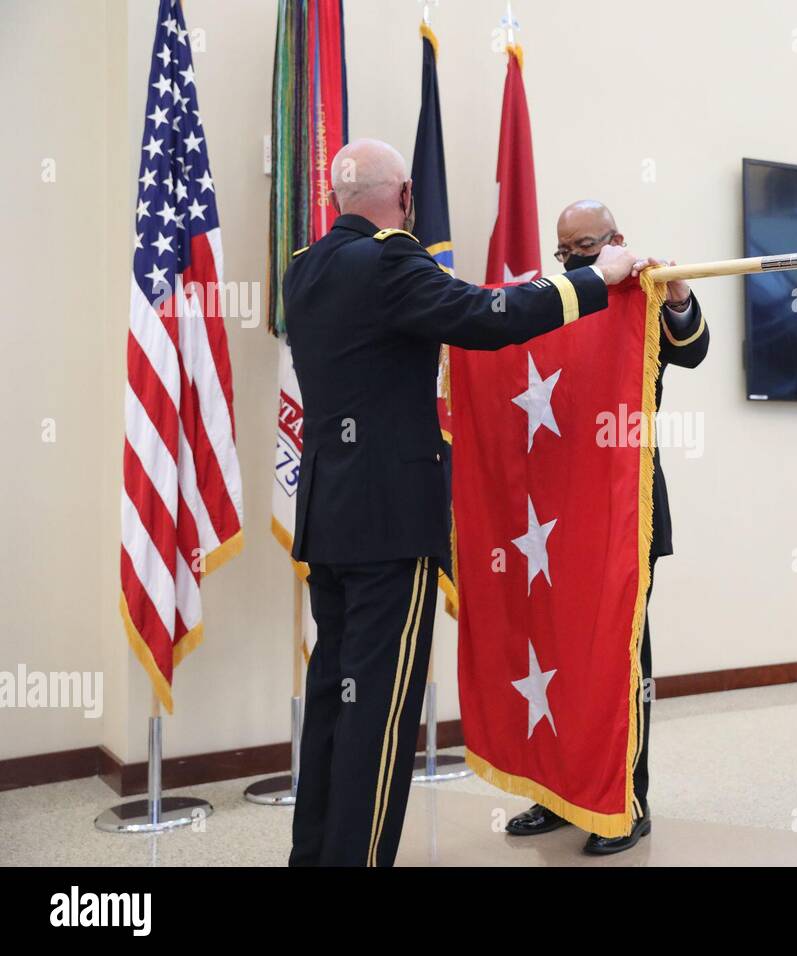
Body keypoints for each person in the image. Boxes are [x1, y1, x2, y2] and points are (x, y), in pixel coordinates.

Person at [282, 140, 640, 866]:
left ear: (333, 201)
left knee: (332, 699)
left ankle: (313, 856)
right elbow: (490, 317)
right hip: (391, 524)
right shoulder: (390, 260)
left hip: (327, 520)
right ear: (406, 196)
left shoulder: (304, 269)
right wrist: (596, 281)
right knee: (377, 715)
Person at [503, 200, 710, 854]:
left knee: (617, 658)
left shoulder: (640, 297)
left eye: (585, 249)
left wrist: (677, 296)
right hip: (553, 518)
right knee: (557, 653)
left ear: (617, 239)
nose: (572, 262)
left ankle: (625, 802)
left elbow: (695, 349)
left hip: (626, 512)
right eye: (564, 252)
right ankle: (558, 793)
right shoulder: (552, 299)